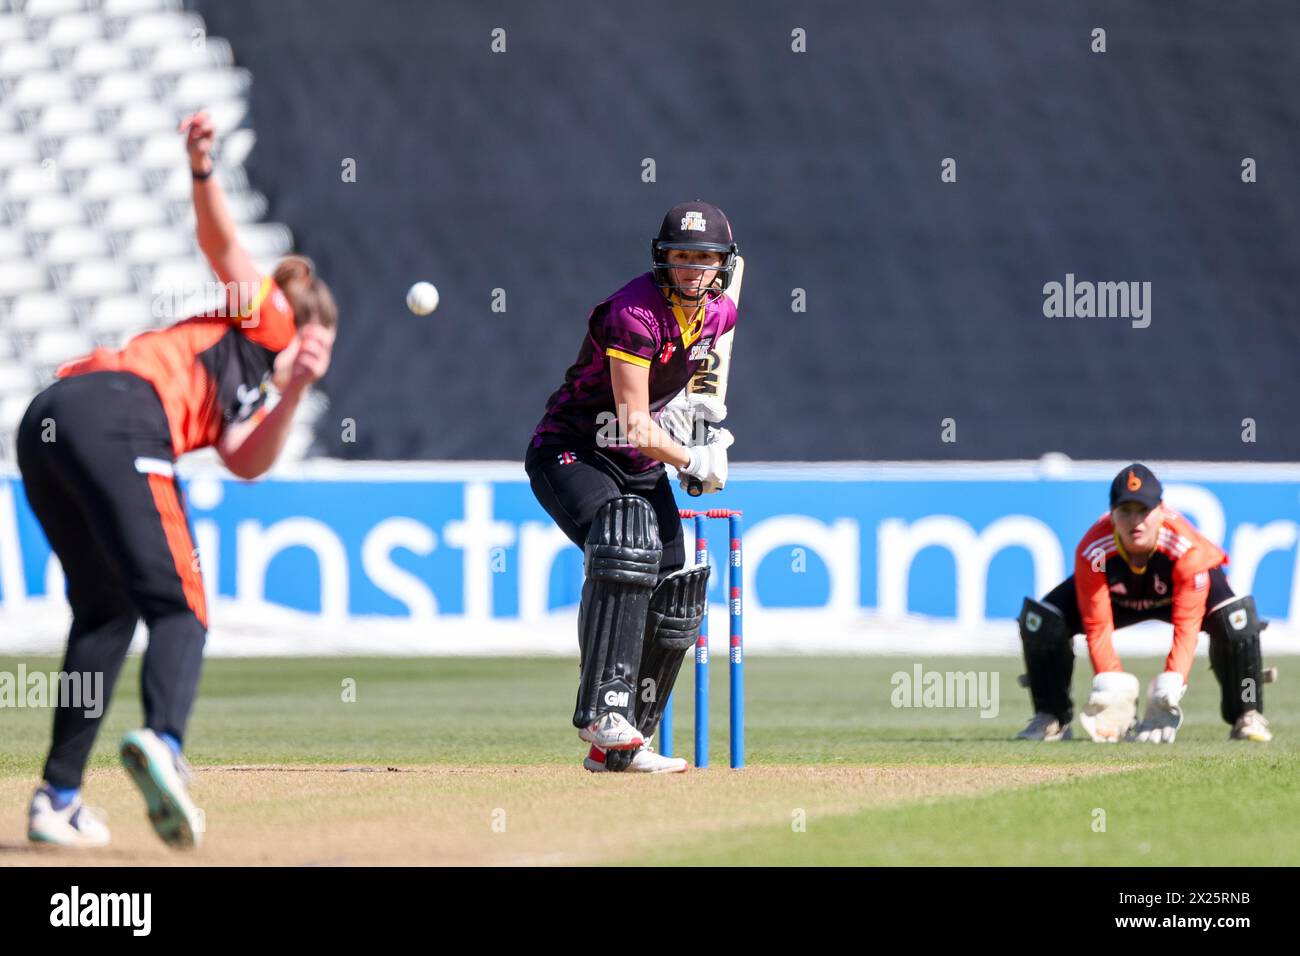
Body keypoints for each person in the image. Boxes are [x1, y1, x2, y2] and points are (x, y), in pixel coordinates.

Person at [21, 110, 337, 848]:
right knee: (182, 604)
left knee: (106, 610)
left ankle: (58, 799)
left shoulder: (255, 382)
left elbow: (244, 462)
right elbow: (222, 245)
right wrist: (202, 170)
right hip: (118, 411)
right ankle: (163, 740)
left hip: (52, 421)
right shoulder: (269, 321)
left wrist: (290, 393)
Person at [525, 201, 740, 773]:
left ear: (723, 264)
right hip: (573, 450)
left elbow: (680, 392)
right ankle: (602, 711)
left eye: (705, 259)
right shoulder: (632, 313)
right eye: (681, 257)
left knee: (676, 589)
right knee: (626, 538)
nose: (693, 269)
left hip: (638, 463)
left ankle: (622, 746)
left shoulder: (722, 314)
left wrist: (693, 419)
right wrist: (692, 459)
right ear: (662, 259)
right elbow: (633, 422)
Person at [1015, 463, 1273, 744]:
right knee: (1041, 621)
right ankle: (1051, 718)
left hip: (1173, 599)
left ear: (1161, 511)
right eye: (1125, 511)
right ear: (1112, 515)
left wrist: (1171, 685)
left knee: (1237, 620)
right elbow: (1097, 625)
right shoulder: (1094, 552)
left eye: (1144, 510)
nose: (1135, 521)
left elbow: (1187, 626)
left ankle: (1247, 715)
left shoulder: (1188, 549)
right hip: (1118, 601)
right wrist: (1111, 683)